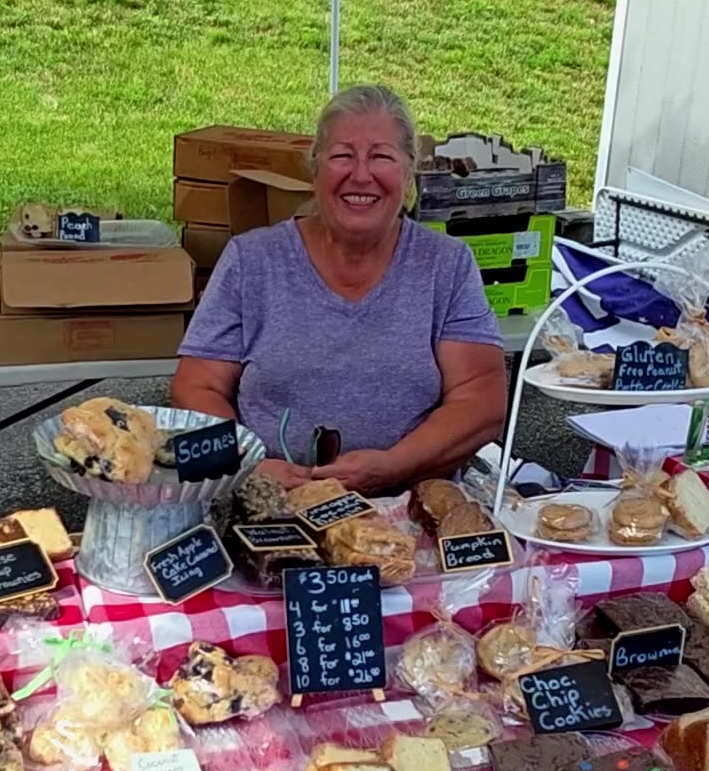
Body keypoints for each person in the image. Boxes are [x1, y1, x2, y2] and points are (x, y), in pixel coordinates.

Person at [169, 84, 507, 495]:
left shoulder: (446, 264)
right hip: (269, 507)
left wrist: (394, 466)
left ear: (408, 171)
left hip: (406, 512)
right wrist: (245, 466)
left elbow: (480, 402)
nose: (361, 174)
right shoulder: (252, 260)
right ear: (315, 169)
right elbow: (195, 386)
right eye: (343, 156)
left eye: (381, 156)